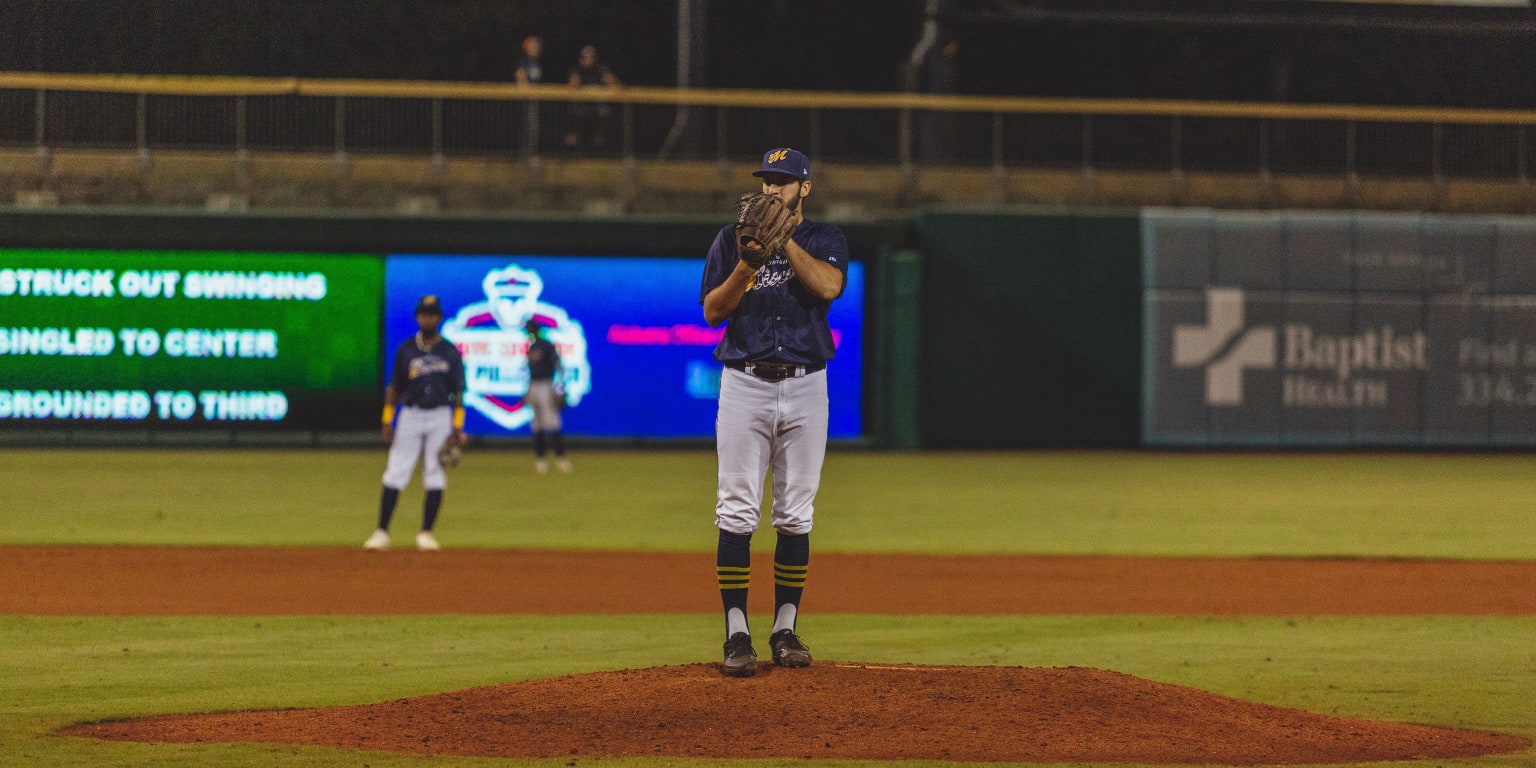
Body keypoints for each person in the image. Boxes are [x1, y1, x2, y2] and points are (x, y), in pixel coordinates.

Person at [699, 147, 849, 676]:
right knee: (736, 509)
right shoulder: (731, 239)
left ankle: (785, 628)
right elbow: (713, 311)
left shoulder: (824, 240)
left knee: (794, 513)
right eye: (767, 180)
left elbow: (830, 287)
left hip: (807, 385)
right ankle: (736, 634)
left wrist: (784, 244)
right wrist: (747, 264)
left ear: (804, 188)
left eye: (784, 182)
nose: (772, 190)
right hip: (746, 382)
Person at [364, 295, 467, 552]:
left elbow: (459, 393)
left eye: (431, 314)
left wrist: (457, 427)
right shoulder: (407, 349)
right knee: (396, 470)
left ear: (439, 318)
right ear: (417, 317)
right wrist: (387, 419)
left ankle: (426, 533)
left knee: (435, 473)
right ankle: (381, 532)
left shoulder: (450, 351)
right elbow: (395, 387)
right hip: (410, 414)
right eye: (423, 314)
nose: (427, 318)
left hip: (441, 415)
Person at [523, 318, 571, 474]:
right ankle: (541, 459)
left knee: (552, 423)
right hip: (535, 385)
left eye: (530, 329)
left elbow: (558, 367)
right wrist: (527, 392)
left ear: (535, 329)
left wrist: (560, 389)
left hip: (547, 385)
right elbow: (531, 373)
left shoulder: (546, 345)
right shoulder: (532, 347)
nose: (528, 332)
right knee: (537, 424)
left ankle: (560, 457)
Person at [564, 45, 622, 150]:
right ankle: (573, 152)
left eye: (591, 57)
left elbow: (612, 81)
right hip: (580, 108)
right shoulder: (577, 68)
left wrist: (612, 82)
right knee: (573, 134)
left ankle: (599, 151)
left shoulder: (600, 68)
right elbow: (573, 82)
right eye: (585, 57)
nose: (587, 59)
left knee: (605, 116)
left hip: (596, 108)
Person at [514, 35, 545, 155]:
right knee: (526, 129)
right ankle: (524, 156)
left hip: (534, 101)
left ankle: (532, 154)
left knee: (534, 129)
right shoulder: (523, 61)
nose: (537, 48)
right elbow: (520, 79)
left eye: (537, 46)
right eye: (534, 46)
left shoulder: (537, 62)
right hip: (525, 102)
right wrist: (528, 92)